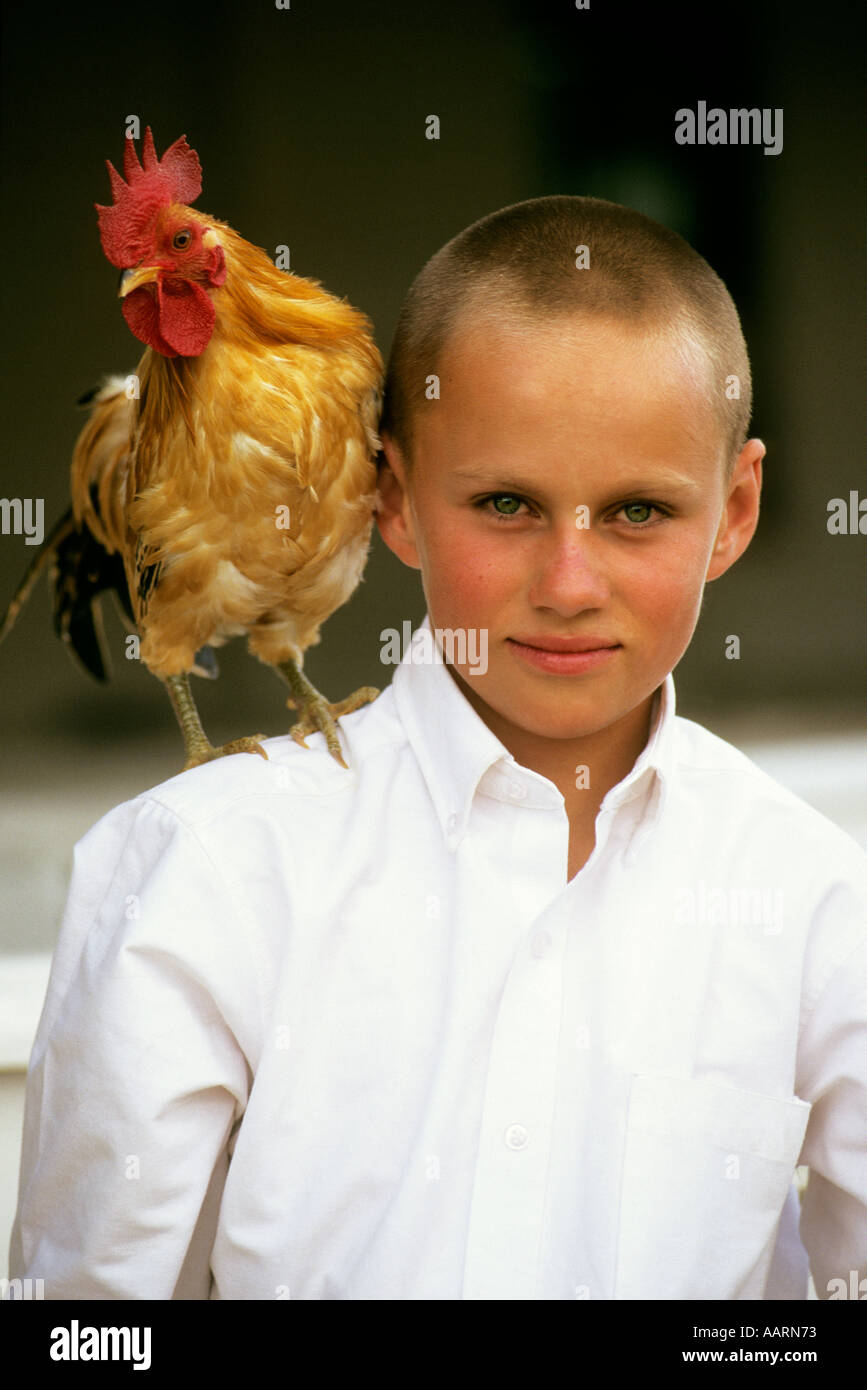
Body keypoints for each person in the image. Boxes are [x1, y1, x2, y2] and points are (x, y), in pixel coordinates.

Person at [8, 196, 867, 1301]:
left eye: (639, 511)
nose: (569, 584)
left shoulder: (811, 899)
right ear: (394, 500)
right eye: (507, 503)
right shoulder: (203, 874)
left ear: (736, 511)